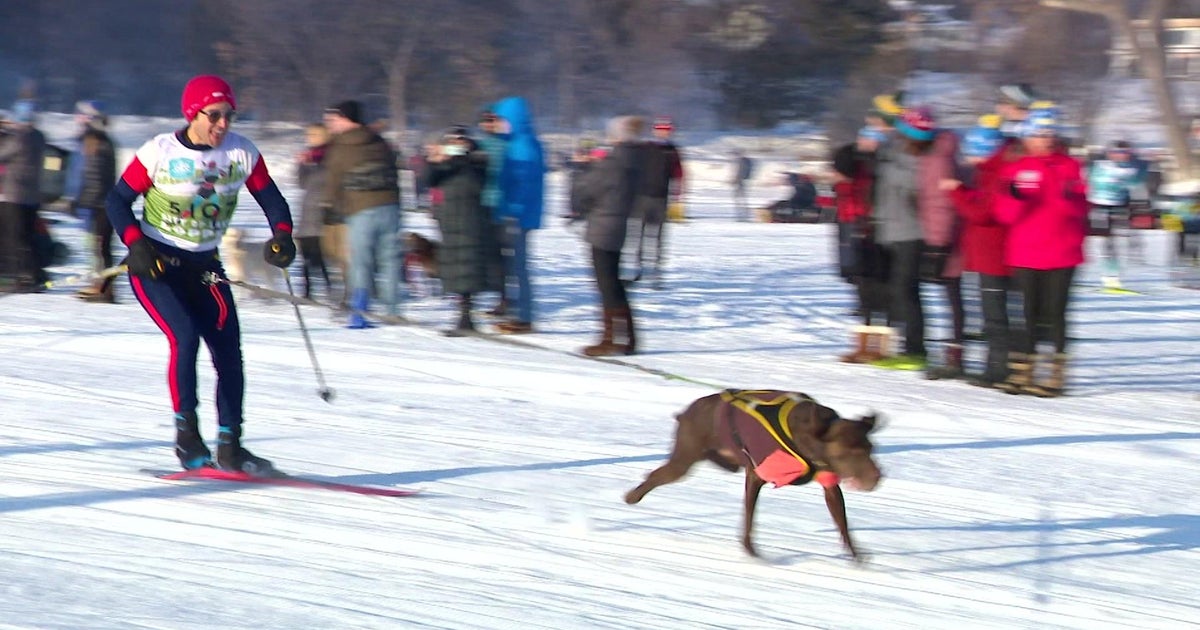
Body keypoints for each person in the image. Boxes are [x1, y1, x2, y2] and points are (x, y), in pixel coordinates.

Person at [105, 75, 295, 472]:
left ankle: (231, 445)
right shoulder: (160, 151)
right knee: (185, 337)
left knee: (229, 352)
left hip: (205, 268)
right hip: (156, 266)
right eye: (214, 115)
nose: (223, 124)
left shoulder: (241, 153)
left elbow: (272, 198)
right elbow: (118, 201)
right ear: (193, 114)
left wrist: (282, 236)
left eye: (229, 115)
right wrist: (135, 243)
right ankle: (187, 436)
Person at [993, 107, 1088, 397]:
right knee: (1027, 313)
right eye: (1038, 134)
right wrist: (1016, 199)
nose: (1044, 140)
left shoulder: (1069, 166)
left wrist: (1064, 200)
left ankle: (1055, 375)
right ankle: (1023, 371)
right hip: (1026, 253)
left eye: (1049, 134)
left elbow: (1083, 207)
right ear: (1027, 137)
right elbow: (1004, 214)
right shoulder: (1015, 169)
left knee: (1056, 313)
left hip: (1062, 252)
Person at [941, 116, 1018, 388]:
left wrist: (958, 192)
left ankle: (998, 368)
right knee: (994, 314)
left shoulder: (996, 173)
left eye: (972, 152)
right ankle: (998, 365)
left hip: (994, 254)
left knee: (995, 315)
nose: (968, 158)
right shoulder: (990, 172)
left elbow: (982, 213)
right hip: (989, 252)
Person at [322, 100, 401, 328]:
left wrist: (331, 209)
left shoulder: (341, 146)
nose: (331, 124)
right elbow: (393, 171)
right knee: (390, 259)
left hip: (360, 209)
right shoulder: (379, 141)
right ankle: (393, 310)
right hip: (390, 205)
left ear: (346, 119)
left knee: (360, 261)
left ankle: (360, 311)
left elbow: (333, 182)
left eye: (334, 119)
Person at [577, 116, 645, 356]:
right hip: (620, 224)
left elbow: (588, 190)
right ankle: (629, 337)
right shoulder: (635, 159)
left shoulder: (613, 162)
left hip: (603, 226)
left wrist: (583, 167)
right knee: (614, 283)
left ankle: (610, 338)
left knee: (606, 284)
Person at [425, 125, 499, 336]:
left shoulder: (477, 160)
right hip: (448, 220)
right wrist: (434, 160)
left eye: (460, 141)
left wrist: (460, 159)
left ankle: (467, 315)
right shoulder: (444, 163)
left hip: (471, 220)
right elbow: (429, 180)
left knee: (469, 267)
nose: (456, 145)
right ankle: (463, 314)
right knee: (454, 268)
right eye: (453, 141)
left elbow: (477, 183)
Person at [487, 97, 546, 334]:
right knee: (514, 266)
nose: (499, 124)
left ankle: (524, 317)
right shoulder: (520, 141)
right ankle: (518, 312)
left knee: (519, 267)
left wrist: (513, 211)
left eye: (501, 119)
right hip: (518, 214)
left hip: (519, 216)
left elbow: (524, 184)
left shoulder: (523, 146)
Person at [831, 126, 890, 362]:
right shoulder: (855, 165)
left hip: (867, 227)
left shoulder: (870, 169)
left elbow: (862, 197)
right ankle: (866, 345)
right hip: (854, 226)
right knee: (863, 289)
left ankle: (877, 346)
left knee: (875, 289)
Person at [71, 101, 119, 303]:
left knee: (100, 248)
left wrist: (81, 200)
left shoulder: (95, 142)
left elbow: (94, 177)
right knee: (99, 248)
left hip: (99, 204)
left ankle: (104, 289)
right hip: (101, 203)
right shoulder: (100, 141)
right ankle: (100, 285)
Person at [1086, 139, 1148, 291]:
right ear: (1109, 153)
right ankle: (1101, 275)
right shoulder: (1098, 165)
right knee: (1096, 241)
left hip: (1120, 206)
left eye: (1125, 153)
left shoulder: (1135, 168)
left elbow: (1139, 187)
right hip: (1096, 205)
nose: (1121, 156)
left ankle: (1112, 276)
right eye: (1116, 152)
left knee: (1115, 242)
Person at [630, 115, 683, 288]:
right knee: (640, 236)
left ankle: (656, 272)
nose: (663, 134)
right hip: (643, 198)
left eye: (666, 131)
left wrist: (677, 197)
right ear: (654, 131)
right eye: (660, 130)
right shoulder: (644, 148)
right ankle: (638, 269)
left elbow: (678, 174)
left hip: (661, 199)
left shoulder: (672, 151)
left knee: (659, 238)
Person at [0, 99, 47, 293]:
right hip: (32, 195)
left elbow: (3, 154)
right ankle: (34, 274)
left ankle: (24, 276)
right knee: (28, 236)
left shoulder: (19, 137)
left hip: (14, 195)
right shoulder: (38, 136)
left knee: (16, 238)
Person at [476, 110, 510, 317]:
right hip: (484, 203)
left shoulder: (506, 145)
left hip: (500, 205)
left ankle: (504, 298)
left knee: (500, 256)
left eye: (492, 121)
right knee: (491, 255)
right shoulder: (479, 145)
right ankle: (500, 295)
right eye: (485, 121)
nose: (489, 125)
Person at [295, 122, 334, 300]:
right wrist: (302, 165)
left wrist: (312, 165)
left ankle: (329, 287)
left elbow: (326, 180)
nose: (309, 139)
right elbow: (302, 183)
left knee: (319, 254)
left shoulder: (330, 155)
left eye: (313, 135)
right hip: (308, 208)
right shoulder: (311, 156)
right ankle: (307, 290)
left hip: (323, 209)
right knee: (305, 253)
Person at [731, 149, 754, 221]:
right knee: (741, 197)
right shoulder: (745, 161)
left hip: (740, 181)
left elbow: (740, 172)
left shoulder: (741, 161)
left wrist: (736, 179)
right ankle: (744, 213)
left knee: (739, 197)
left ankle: (742, 214)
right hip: (742, 180)